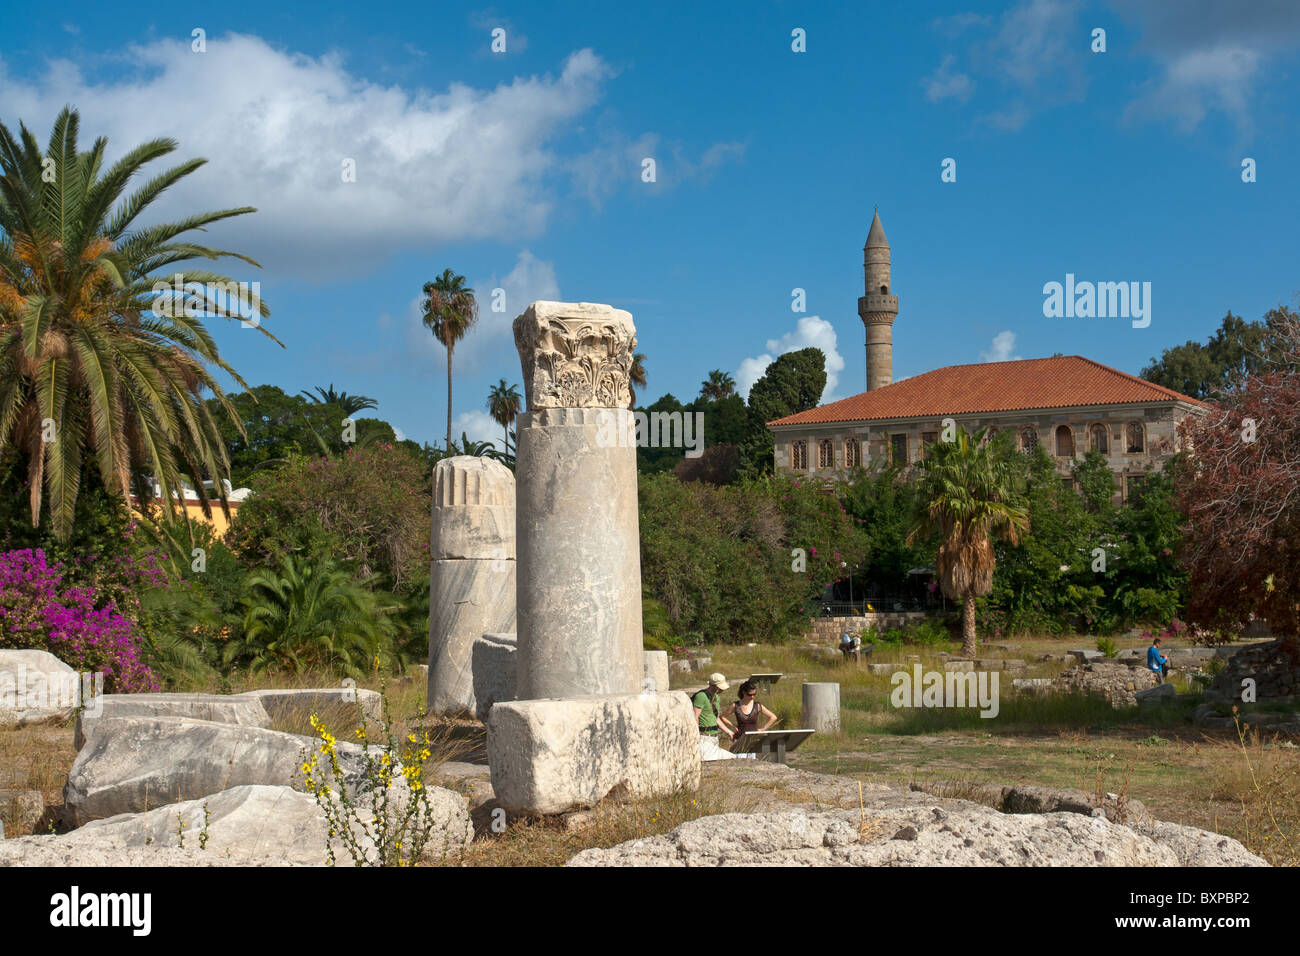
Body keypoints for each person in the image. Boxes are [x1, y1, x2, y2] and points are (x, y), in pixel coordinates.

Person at [723, 680, 777, 749]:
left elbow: (773, 717)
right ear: (743, 693)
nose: (752, 697)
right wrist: (732, 726)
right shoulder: (735, 705)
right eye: (750, 694)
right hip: (739, 739)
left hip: (754, 741)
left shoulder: (757, 705)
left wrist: (763, 729)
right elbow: (722, 717)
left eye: (754, 694)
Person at [693, 673, 737, 743]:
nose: (723, 690)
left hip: (714, 736)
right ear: (714, 686)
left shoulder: (716, 698)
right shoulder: (701, 696)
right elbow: (695, 717)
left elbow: (715, 718)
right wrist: (696, 736)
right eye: (720, 688)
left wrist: (729, 732)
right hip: (703, 736)